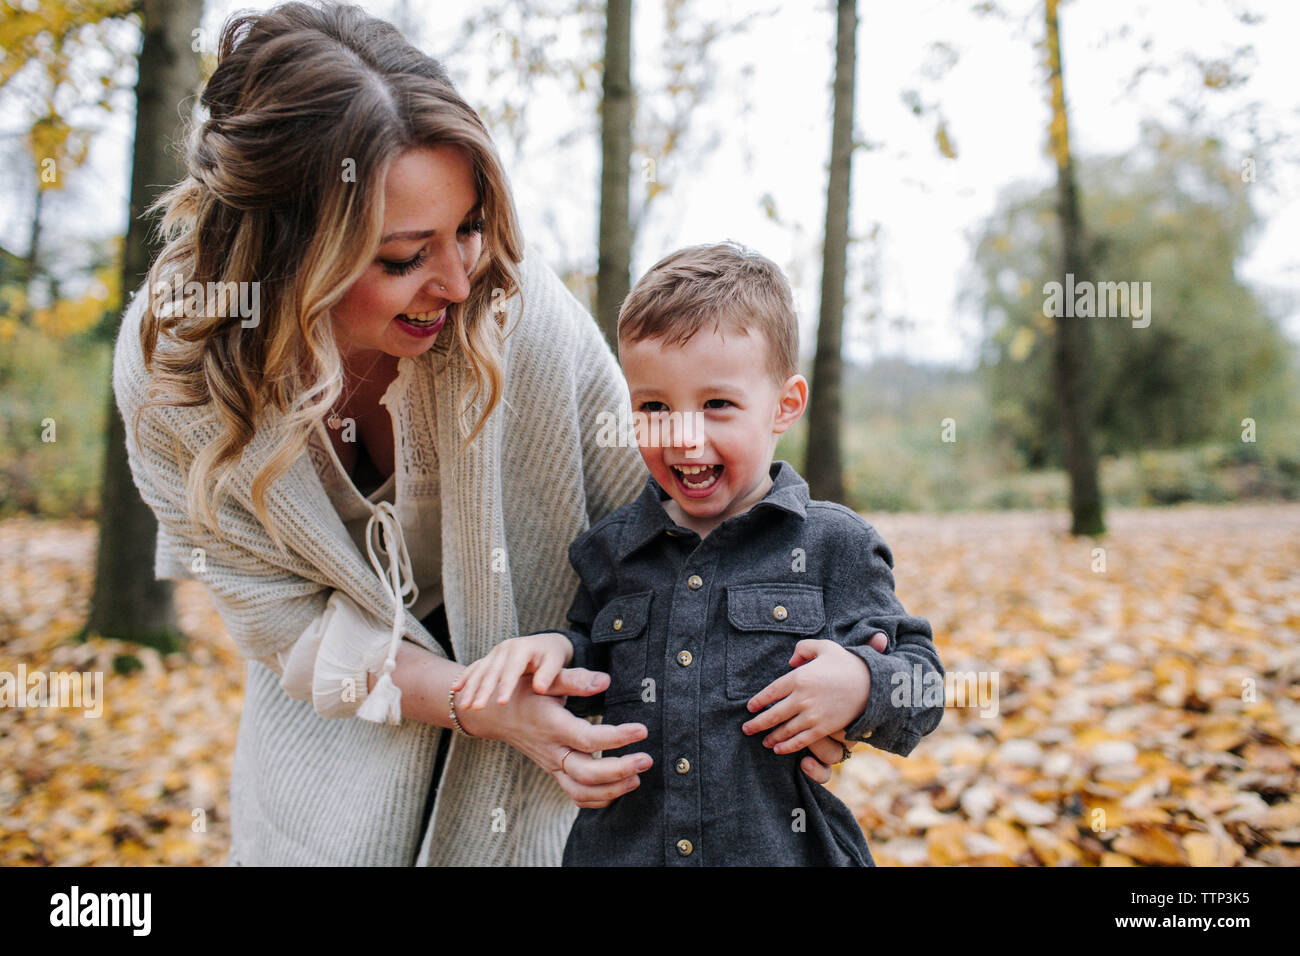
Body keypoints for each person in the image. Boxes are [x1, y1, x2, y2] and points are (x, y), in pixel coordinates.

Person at [113, 3, 863, 866]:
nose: (459, 279)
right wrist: (467, 699)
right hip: (324, 793)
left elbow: (678, 538)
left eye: (468, 227)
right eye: (403, 257)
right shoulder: (175, 375)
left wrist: (824, 684)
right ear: (285, 248)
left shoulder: (517, 310)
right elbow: (285, 629)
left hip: (555, 800)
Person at [455, 242, 945, 865]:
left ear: (784, 406)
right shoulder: (613, 551)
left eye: (717, 405)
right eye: (655, 407)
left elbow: (922, 682)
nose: (684, 435)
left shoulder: (830, 544)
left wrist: (859, 683)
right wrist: (555, 652)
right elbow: (593, 674)